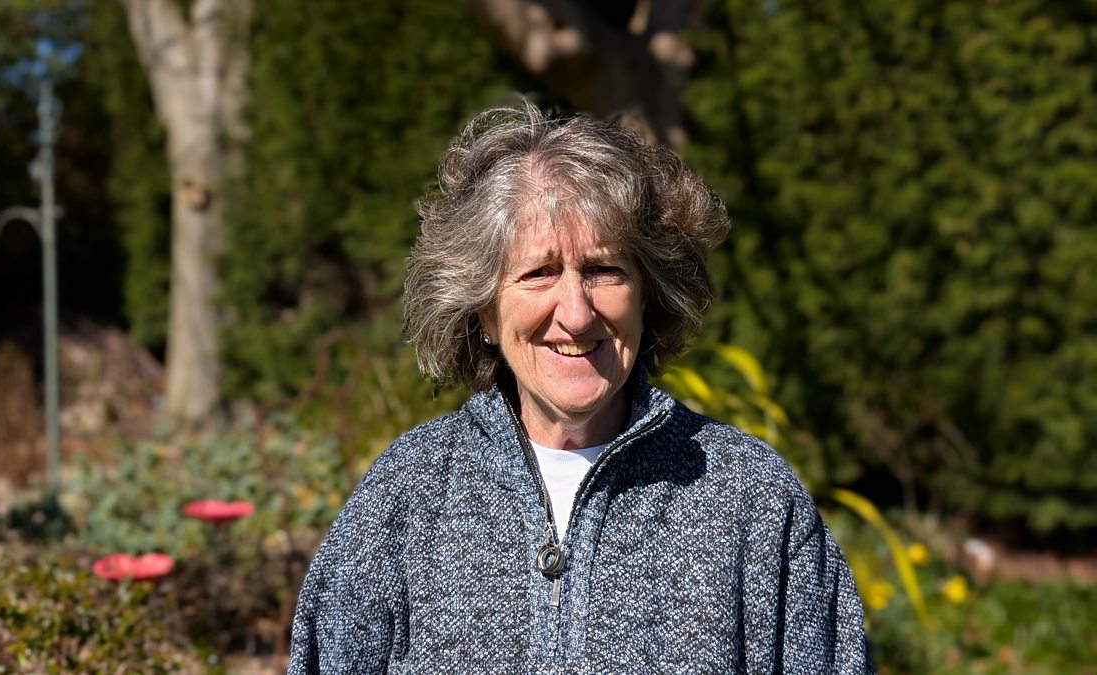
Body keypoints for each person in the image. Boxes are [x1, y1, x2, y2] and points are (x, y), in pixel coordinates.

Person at [288, 103, 872, 673]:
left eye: (604, 270)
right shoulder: (406, 496)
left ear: (648, 293)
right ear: (484, 310)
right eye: (538, 273)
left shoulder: (752, 500)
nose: (575, 312)